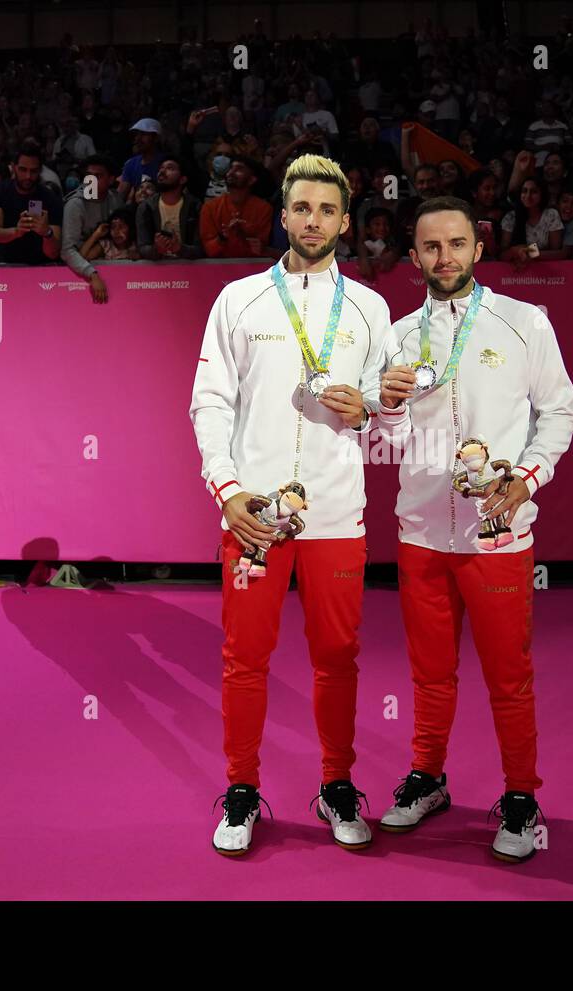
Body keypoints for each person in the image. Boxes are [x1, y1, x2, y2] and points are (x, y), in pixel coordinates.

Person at [190, 154, 396, 857]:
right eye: (301, 208)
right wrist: (228, 490)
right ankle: (241, 788)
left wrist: (366, 405)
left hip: (337, 518)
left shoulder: (370, 308)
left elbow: (392, 409)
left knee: (338, 655)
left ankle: (337, 783)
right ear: (284, 214)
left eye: (327, 210)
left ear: (345, 220)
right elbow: (209, 402)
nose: (313, 221)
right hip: (254, 519)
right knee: (245, 657)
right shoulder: (238, 300)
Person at [373, 195, 573, 863]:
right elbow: (383, 434)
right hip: (422, 532)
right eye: (431, 247)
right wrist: (387, 406)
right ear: (415, 256)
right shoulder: (397, 337)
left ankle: (520, 795)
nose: (445, 257)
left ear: (478, 248)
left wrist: (529, 476)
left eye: (456, 243)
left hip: (498, 532)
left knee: (508, 675)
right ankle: (429, 777)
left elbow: (560, 412)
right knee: (431, 672)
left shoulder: (524, 324)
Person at [0, 142, 63, 265]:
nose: (28, 176)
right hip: (5, 262)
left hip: (39, 265)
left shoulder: (49, 198)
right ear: (13, 167)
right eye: (23, 169)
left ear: (40, 170)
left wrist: (46, 233)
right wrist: (17, 232)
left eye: (33, 171)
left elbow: (53, 253)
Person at [61, 154, 126, 303]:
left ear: (110, 179)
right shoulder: (75, 205)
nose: (91, 181)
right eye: (89, 176)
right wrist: (93, 274)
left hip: (112, 263)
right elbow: (67, 250)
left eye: (98, 176)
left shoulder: (116, 199)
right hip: (81, 267)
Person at [198, 156, 273, 259]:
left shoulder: (264, 209)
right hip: (219, 266)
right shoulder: (210, 207)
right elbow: (209, 250)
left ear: (251, 180)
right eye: (230, 168)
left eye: (239, 169)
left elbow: (260, 250)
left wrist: (244, 233)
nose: (230, 173)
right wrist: (223, 237)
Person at [136, 156, 202, 261]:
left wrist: (180, 248)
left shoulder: (194, 207)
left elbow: (200, 250)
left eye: (170, 168)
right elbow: (142, 248)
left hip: (188, 268)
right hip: (158, 269)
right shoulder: (146, 207)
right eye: (161, 168)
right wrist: (157, 249)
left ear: (182, 179)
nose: (162, 171)